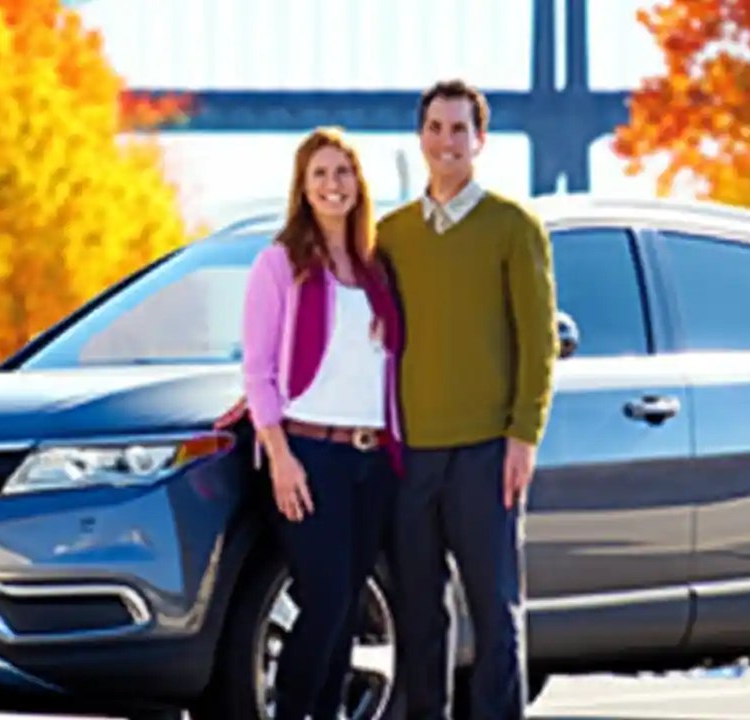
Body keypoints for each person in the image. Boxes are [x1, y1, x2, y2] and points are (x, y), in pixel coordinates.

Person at [377, 79, 558, 719]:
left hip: (487, 452)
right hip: (413, 456)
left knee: (494, 607)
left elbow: (539, 343)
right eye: (435, 128)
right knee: (420, 613)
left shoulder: (514, 226)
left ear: (480, 141)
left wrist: (523, 436)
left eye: (459, 129)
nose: (446, 141)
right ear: (420, 137)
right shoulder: (392, 235)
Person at [233, 127, 405, 720]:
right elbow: (257, 372)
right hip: (310, 456)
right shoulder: (279, 265)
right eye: (321, 175)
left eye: (343, 173)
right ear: (303, 189)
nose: (334, 185)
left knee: (350, 602)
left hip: (372, 460)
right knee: (326, 599)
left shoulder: (377, 269)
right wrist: (280, 457)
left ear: (359, 184)